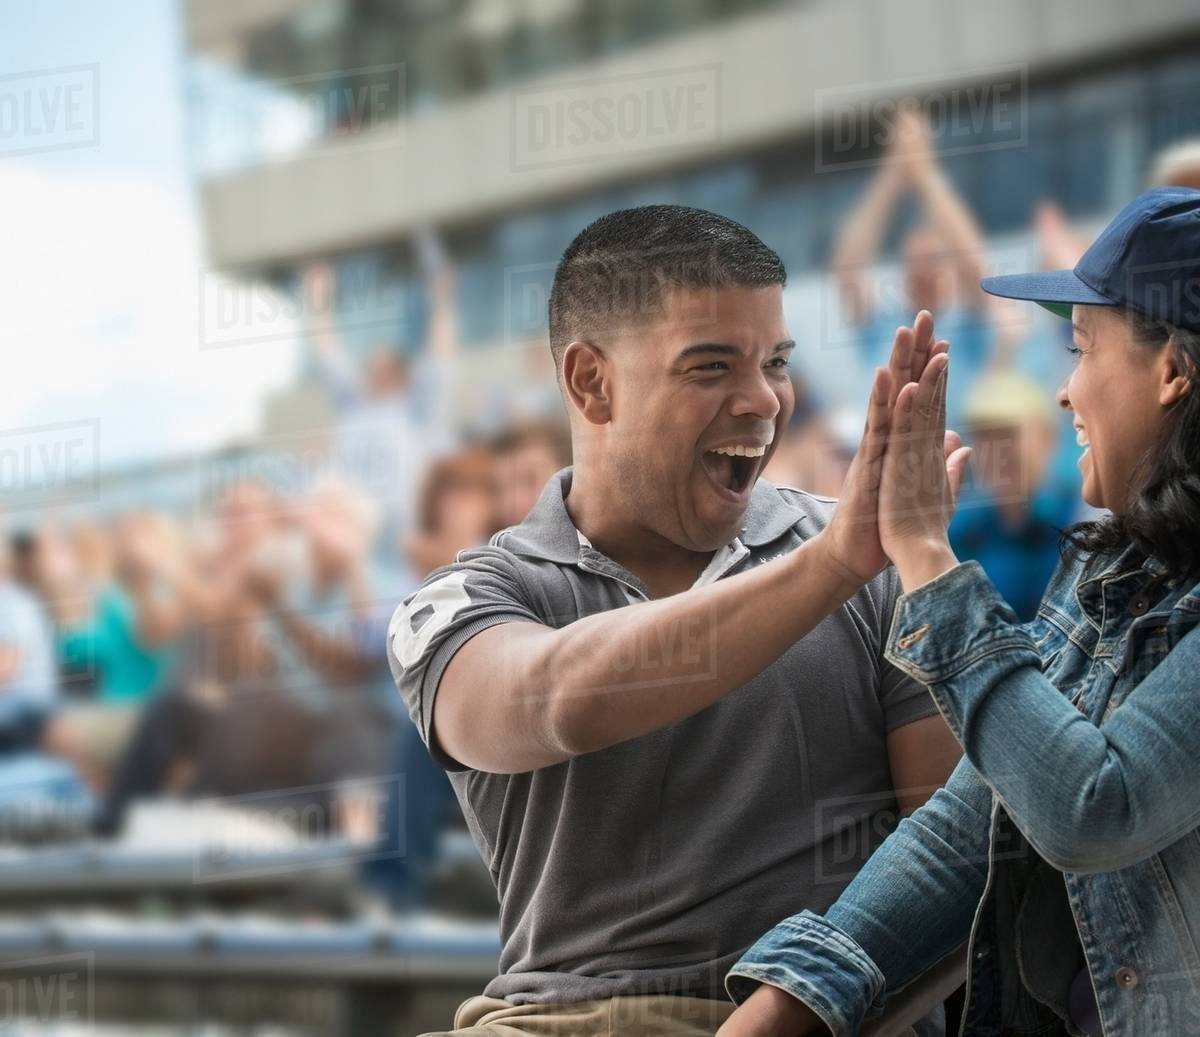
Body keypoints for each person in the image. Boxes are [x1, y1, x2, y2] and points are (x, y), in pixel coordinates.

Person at [387, 205, 965, 1036]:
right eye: (710, 366)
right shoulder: (466, 598)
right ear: (592, 382)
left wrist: (795, 1012)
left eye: (776, 362)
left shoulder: (880, 563)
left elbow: (955, 858)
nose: (764, 400)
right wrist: (832, 563)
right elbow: (551, 699)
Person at [717, 187, 1200, 1037]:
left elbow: (1096, 808)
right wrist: (780, 1009)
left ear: (1172, 372)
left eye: (1083, 350)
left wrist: (927, 557)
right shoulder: (1115, 569)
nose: (1065, 390)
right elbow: (969, 824)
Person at [831, 105, 992, 423]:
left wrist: (925, 173)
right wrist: (892, 172)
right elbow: (847, 270)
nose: (921, 270)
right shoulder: (883, 327)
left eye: (932, 260)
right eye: (912, 262)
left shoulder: (968, 326)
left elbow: (973, 263)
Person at [948, 371, 1079, 621]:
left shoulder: (1080, 525)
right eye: (984, 437)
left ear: (1048, 439)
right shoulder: (962, 534)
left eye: (1008, 435)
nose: (997, 452)